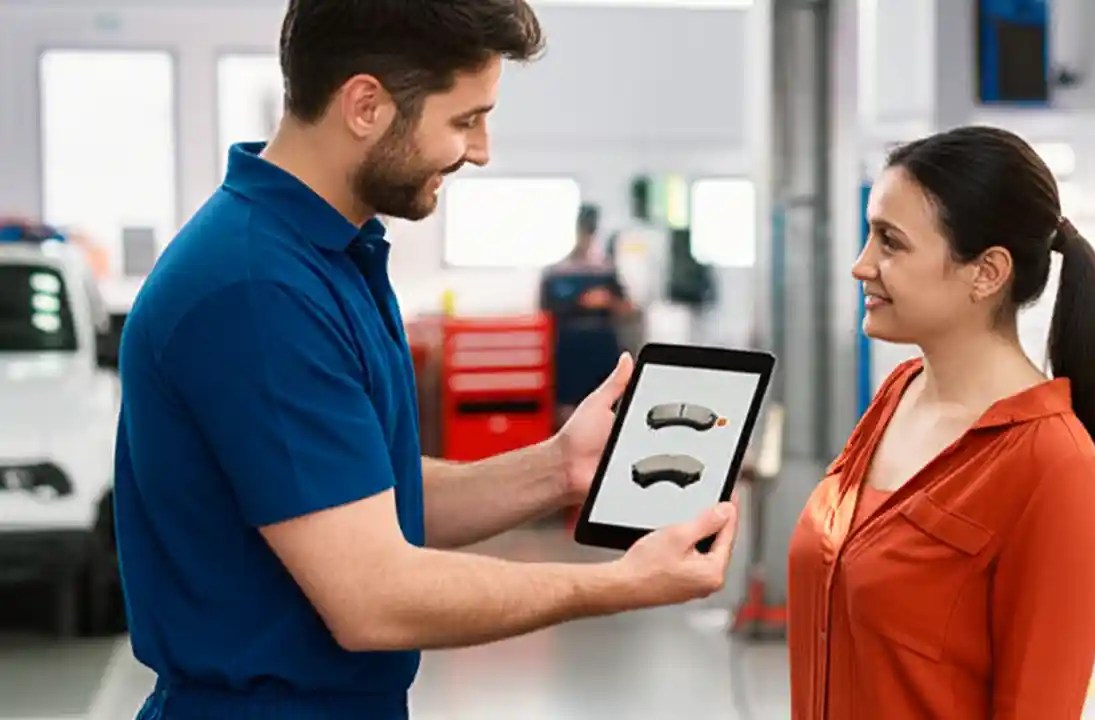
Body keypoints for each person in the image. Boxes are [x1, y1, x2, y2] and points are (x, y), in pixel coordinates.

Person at [112, 2, 738, 718]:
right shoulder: (256, 287)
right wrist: (621, 584)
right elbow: (375, 597)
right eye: (464, 119)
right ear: (366, 105)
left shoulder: (330, 254)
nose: (481, 149)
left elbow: (360, 502)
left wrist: (559, 468)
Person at [787, 126, 1095, 719]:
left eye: (890, 242)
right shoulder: (897, 395)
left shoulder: (1055, 468)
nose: (862, 265)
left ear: (986, 272)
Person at [540, 204, 635, 425]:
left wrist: (608, 301)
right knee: (568, 411)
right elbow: (545, 311)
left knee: (606, 405)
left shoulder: (605, 270)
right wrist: (580, 303)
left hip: (602, 348)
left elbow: (626, 307)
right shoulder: (557, 273)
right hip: (569, 349)